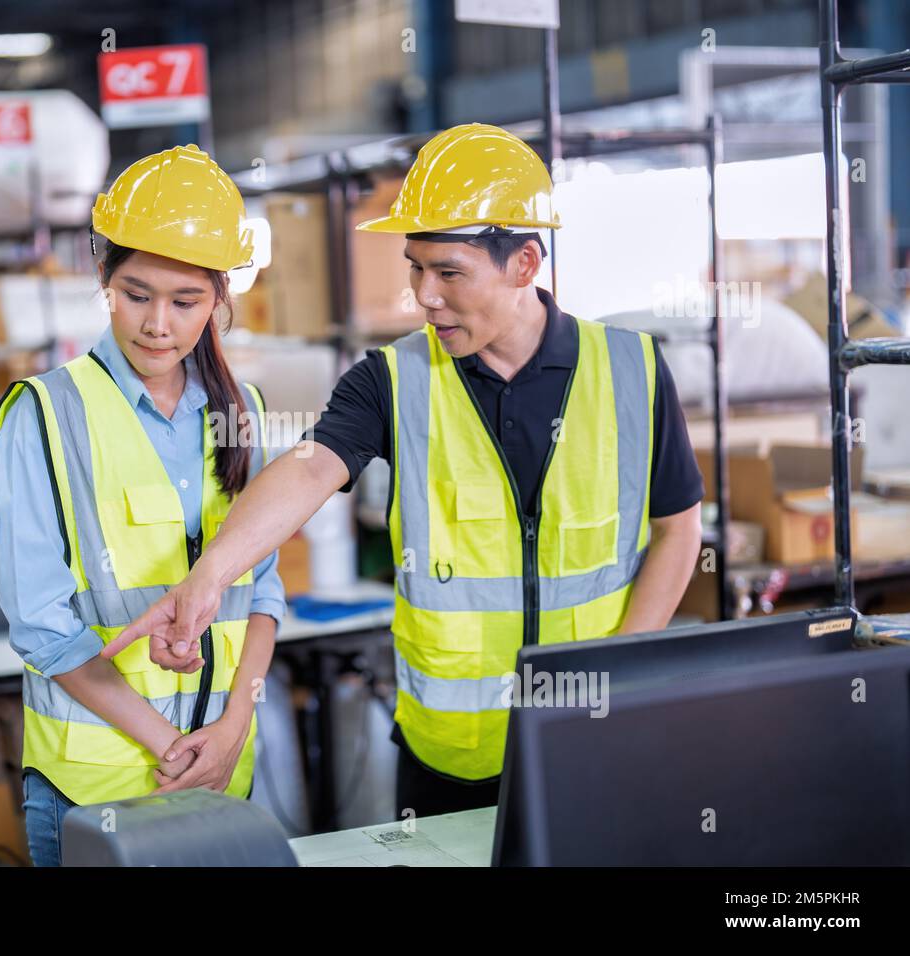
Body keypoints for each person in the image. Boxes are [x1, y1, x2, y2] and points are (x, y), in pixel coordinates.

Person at [103, 124, 704, 819]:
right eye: (415, 268)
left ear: (525, 264)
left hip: (594, 741)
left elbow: (678, 532)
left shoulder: (631, 369)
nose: (425, 295)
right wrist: (206, 578)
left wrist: (616, 677)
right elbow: (307, 471)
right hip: (447, 760)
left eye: (448, 272)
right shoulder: (393, 378)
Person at [0, 144, 285, 866]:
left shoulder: (241, 409)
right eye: (136, 294)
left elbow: (264, 590)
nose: (158, 324)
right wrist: (179, 749)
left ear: (220, 297)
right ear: (104, 281)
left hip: (220, 780)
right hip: (91, 795)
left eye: (186, 302)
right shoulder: (44, 412)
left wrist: (235, 728)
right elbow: (41, 626)